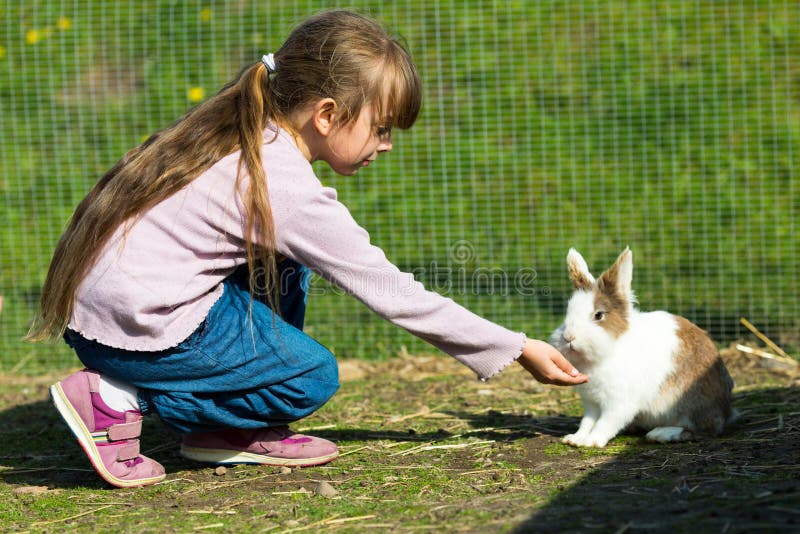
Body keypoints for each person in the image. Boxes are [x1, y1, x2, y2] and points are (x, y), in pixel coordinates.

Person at [28, 10, 587, 488]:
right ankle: (117, 398)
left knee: (286, 264)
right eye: (382, 128)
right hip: (136, 331)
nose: (386, 145)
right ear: (326, 115)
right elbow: (392, 291)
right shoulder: (284, 187)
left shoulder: (242, 130)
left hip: (109, 313)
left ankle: (225, 430)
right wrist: (515, 346)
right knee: (308, 377)